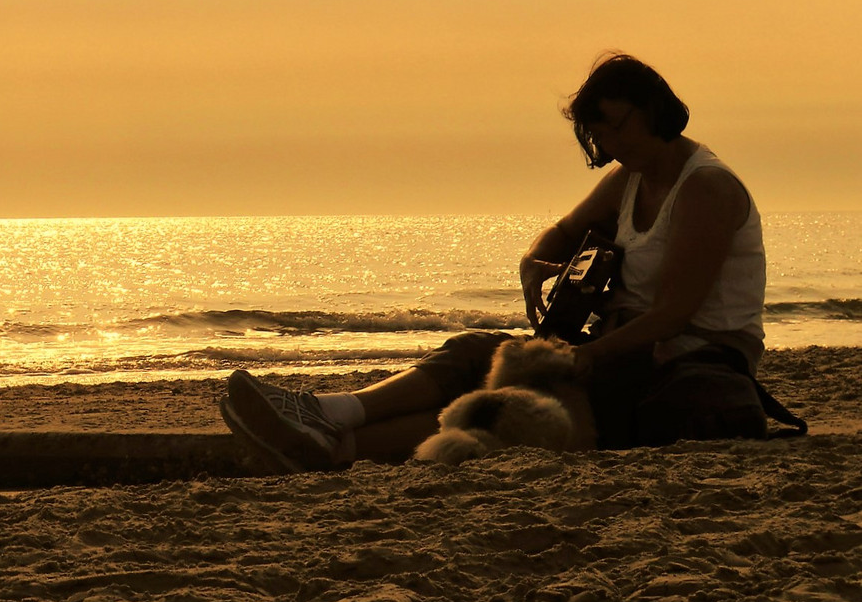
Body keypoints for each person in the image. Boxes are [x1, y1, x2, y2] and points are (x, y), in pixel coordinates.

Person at [220, 53, 769, 470]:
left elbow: (674, 315)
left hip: (690, 355)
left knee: (518, 399)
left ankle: (336, 448)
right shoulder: (630, 179)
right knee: (476, 354)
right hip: (628, 344)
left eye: (612, 125)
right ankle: (327, 416)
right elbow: (559, 234)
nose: (604, 142)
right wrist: (534, 267)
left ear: (650, 112)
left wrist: (587, 357)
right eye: (596, 131)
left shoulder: (706, 190)